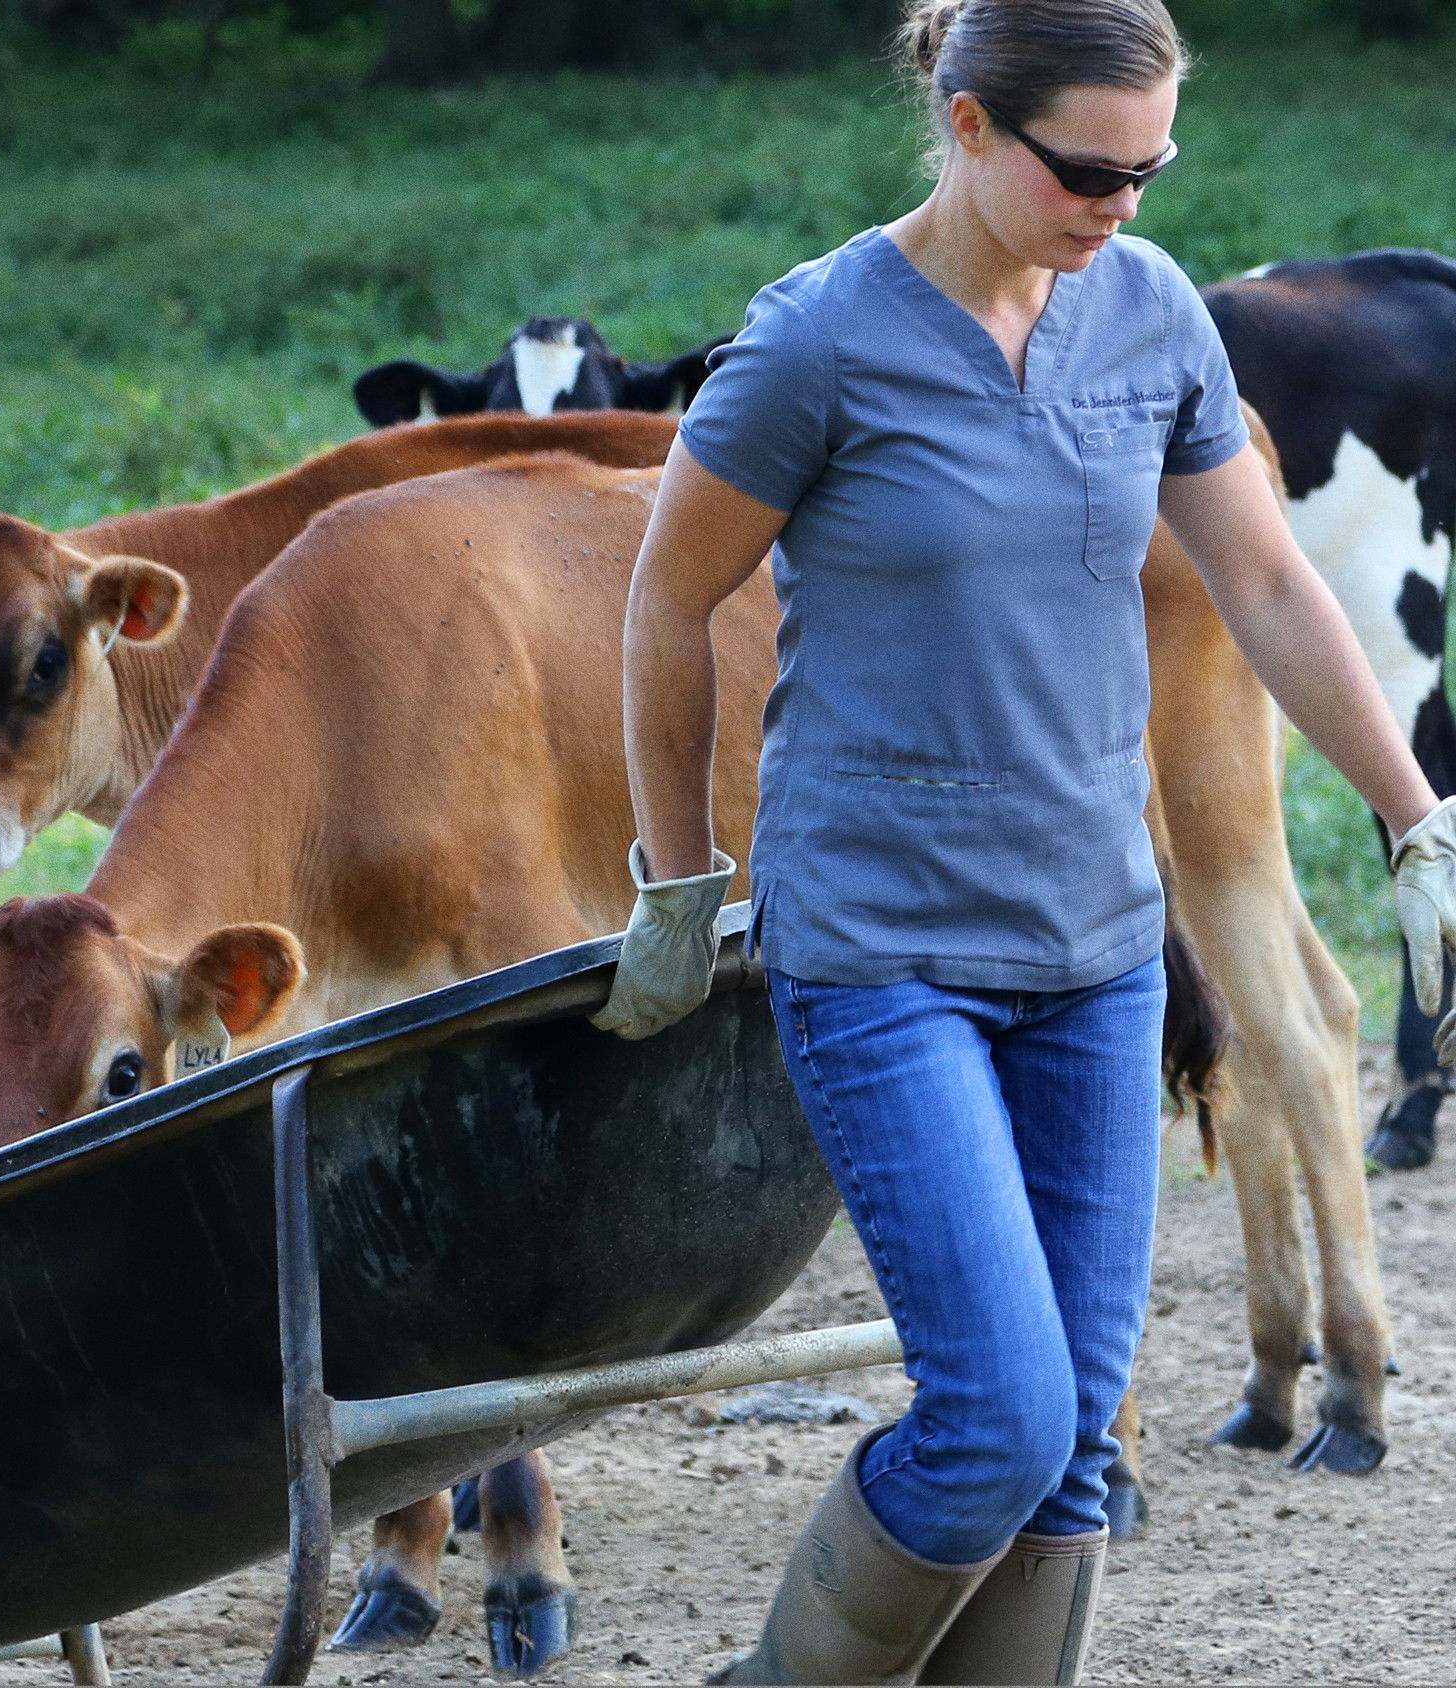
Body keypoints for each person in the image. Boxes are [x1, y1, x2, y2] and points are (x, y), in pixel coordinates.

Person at [589, 0, 1456, 1680]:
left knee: (1070, 1462)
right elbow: (665, 602)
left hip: (1101, 956)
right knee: (994, 1421)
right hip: (883, 949)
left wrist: (1422, 821)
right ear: (972, 126)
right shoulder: (817, 341)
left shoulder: (1148, 317)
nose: (1125, 208)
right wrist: (678, 877)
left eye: (1154, 170)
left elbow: (1265, 582)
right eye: (1090, 172)